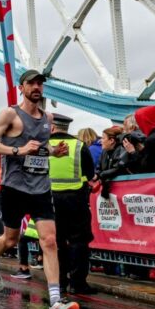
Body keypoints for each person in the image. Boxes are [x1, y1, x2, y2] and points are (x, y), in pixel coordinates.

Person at [0, 69, 80, 309]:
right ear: (21, 87)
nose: (37, 87)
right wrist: (18, 149)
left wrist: (52, 152)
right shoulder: (10, 114)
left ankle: (55, 301)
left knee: (49, 241)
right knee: (11, 239)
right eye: (31, 83)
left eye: (40, 84)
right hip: (14, 187)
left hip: (40, 188)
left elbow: (39, 150)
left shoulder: (47, 118)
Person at [46, 111, 97, 296]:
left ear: (52, 127)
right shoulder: (79, 146)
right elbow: (90, 174)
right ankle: (78, 284)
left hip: (49, 200)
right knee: (79, 241)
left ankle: (59, 283)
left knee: (55, 242)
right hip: (76, 199)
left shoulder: (44, 146)